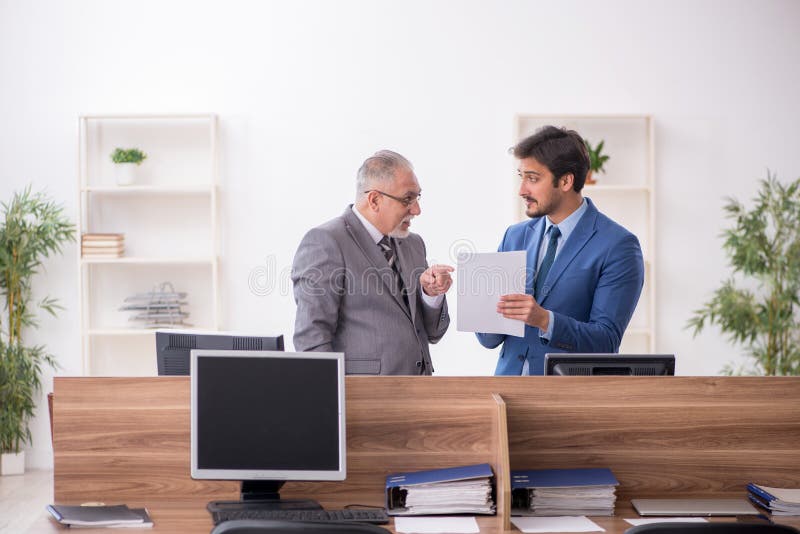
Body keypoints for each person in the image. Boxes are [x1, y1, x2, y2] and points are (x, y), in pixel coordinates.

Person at [477, 126, 644, 375]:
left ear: (566, 181)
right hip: (506, 392)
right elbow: (488, 339)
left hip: (566, 400)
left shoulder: (618, 245)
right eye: (521, 176)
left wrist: (545, 320)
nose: (522, 189)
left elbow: (606, 341)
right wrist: (481, 307)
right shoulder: (515, 236)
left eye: (533, 179)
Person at [292, 150, 453, 375]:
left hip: (419, 393)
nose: (417, 209)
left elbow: (433, 332)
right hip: (363, 399)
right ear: (375, 200)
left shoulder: (414, 244)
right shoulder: (326, 242)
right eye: (408, 198)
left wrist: (431, 294)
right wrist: (331, 403)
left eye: (418, 197)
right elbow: (311, 339)